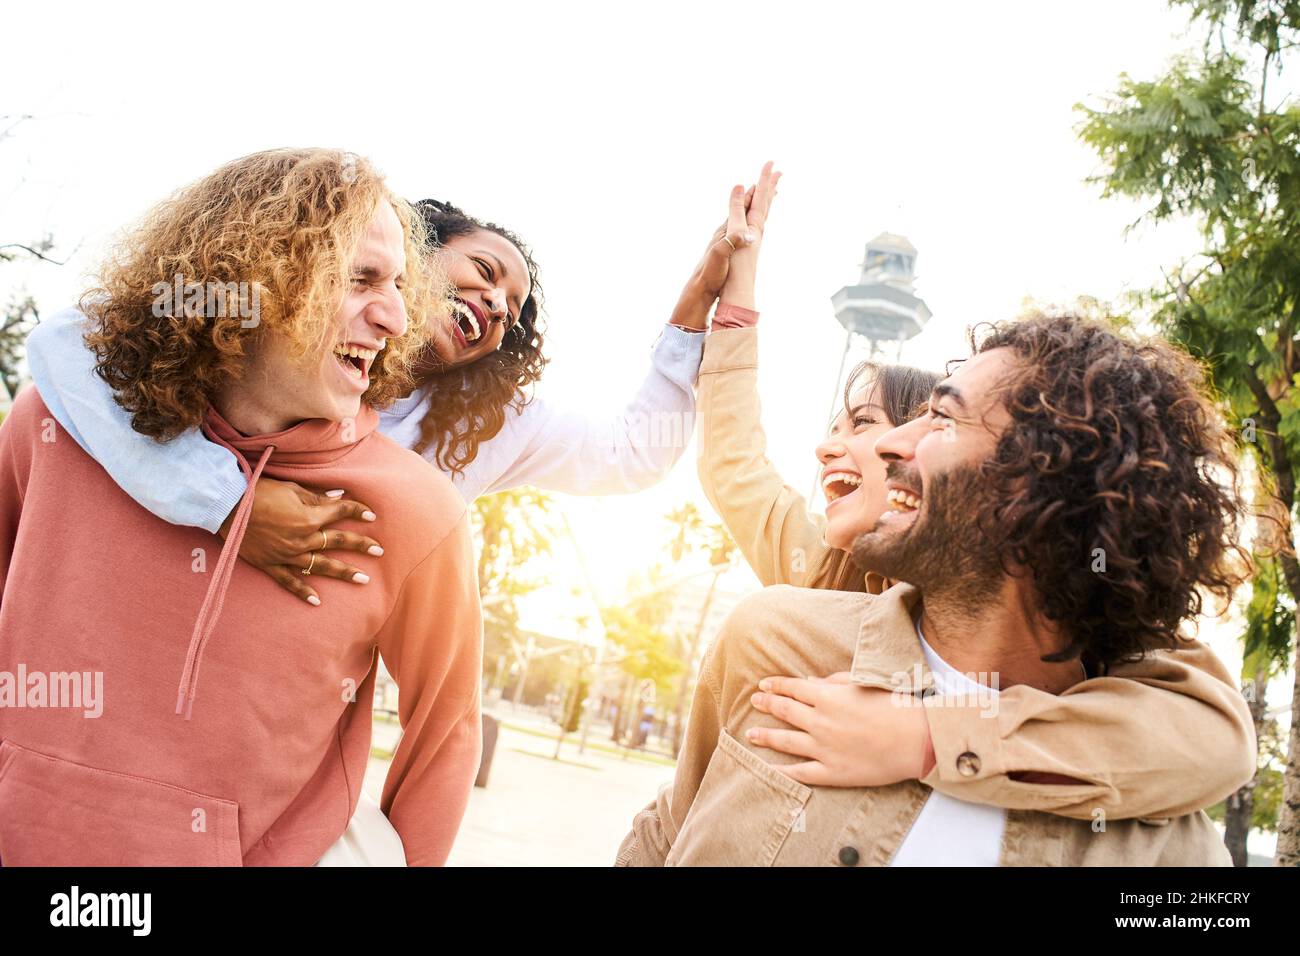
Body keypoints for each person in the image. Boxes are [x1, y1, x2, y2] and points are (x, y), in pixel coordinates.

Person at [674, 202, 1257, 823]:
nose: (827, 447)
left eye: (866, 424)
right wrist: (729, 299)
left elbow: (1210, 740)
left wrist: (926, 736)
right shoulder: (814, 589)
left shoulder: (1076, 628)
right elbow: (735, 465)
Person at [0, 148, 481, 866]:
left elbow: (447, 733)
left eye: (400, 287)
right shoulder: (50, 425)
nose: (395, 317)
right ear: (253, 282)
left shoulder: (414, 510)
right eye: (359, 279)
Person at [23, 165, 781, 606]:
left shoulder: (487, 425)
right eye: (484, 271)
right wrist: (226, 503)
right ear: (412, 250)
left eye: (510, 311)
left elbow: (634, 456)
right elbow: (66, 344)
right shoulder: (270, 313)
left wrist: (695, 304)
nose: (495, 304)